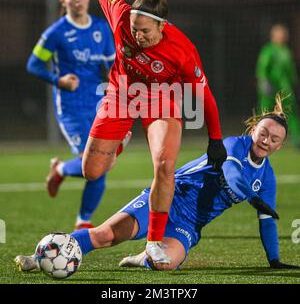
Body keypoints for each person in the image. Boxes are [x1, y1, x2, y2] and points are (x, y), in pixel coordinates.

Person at [58, 0, 227, 266]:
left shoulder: (181, 49)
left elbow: (203, 93)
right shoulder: (122, 16)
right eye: (134, 29)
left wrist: (216, 139)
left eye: (145, 32)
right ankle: (119, 141)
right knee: (92, 172)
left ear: (162, 27)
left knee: (165, 166)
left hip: (162, 100)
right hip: (121, 93)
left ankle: (153, 242)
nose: (137, 36)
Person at [15, 94, 299, 272]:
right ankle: (39, 257)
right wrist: (251, 196)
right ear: (253, 130)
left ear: (280, 146)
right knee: (104, 236)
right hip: (166, 197)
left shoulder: (268, 178)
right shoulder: (233, 145)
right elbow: (233, 174)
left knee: (165, 264)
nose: (266, 141)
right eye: (263, 133)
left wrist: (274, 260)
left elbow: (267, 220)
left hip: (189, 224)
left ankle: (143, 257)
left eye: (274, 139)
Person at [26, 0, 124, 230]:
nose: (76, 0)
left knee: (101, 163)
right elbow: (33, 64)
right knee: (94, 161)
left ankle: (83, 219)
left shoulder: (101, 29)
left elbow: (112, 66)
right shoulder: (56, 34)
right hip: (70, 105)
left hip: (98, 103)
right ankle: (62, 175)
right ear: (63, 0)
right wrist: (58, 80)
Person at [256, 23, 300, 147]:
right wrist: (264, 82)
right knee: (265, 113)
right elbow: (262, 68)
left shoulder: (286, 51)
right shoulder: (268, 50)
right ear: (273, 35)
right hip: (270, 89)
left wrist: (294, 82)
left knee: (291, 112)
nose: (282, 37)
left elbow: (291, 71)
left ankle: (297, 139)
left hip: (285, 89)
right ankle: (257, 138)